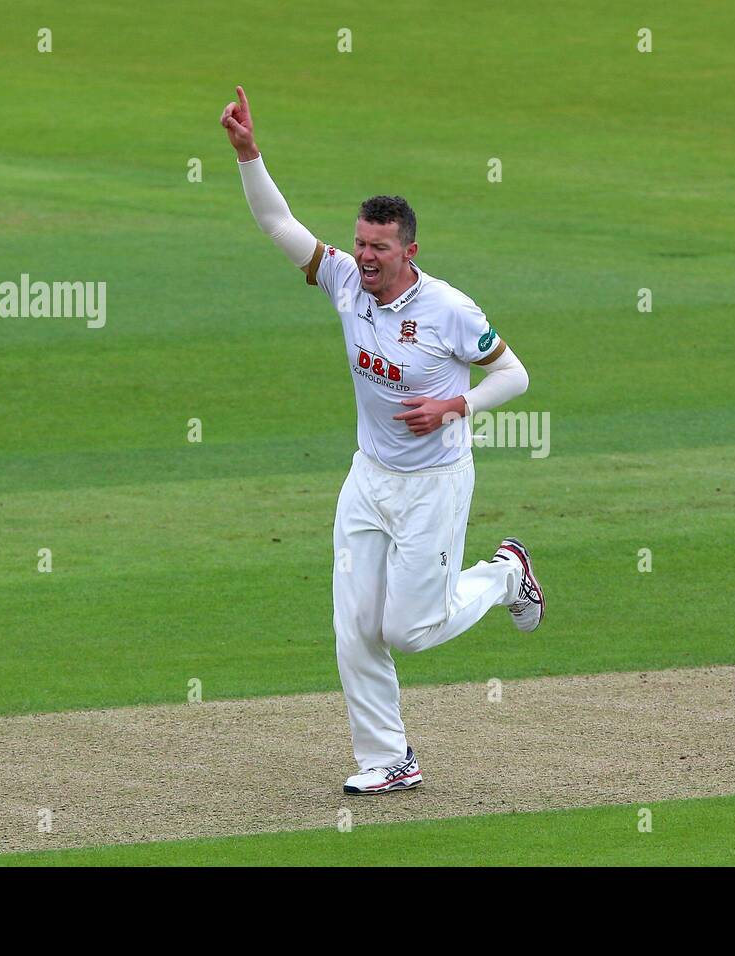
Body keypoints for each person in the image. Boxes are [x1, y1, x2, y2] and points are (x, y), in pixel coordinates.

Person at [220, 86, 545, 789]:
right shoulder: (343, 280)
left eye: (379, 248)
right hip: (369, 476)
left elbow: (515, 374)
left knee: (409, 630)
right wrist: (250, 155)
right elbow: (278, 223)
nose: (364, 257)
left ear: (409, 251)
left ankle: (506, 575)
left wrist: (453, 405)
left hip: (434, 482)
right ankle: (389, 760)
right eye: (361, 243)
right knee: (355, 627)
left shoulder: (449, 310)